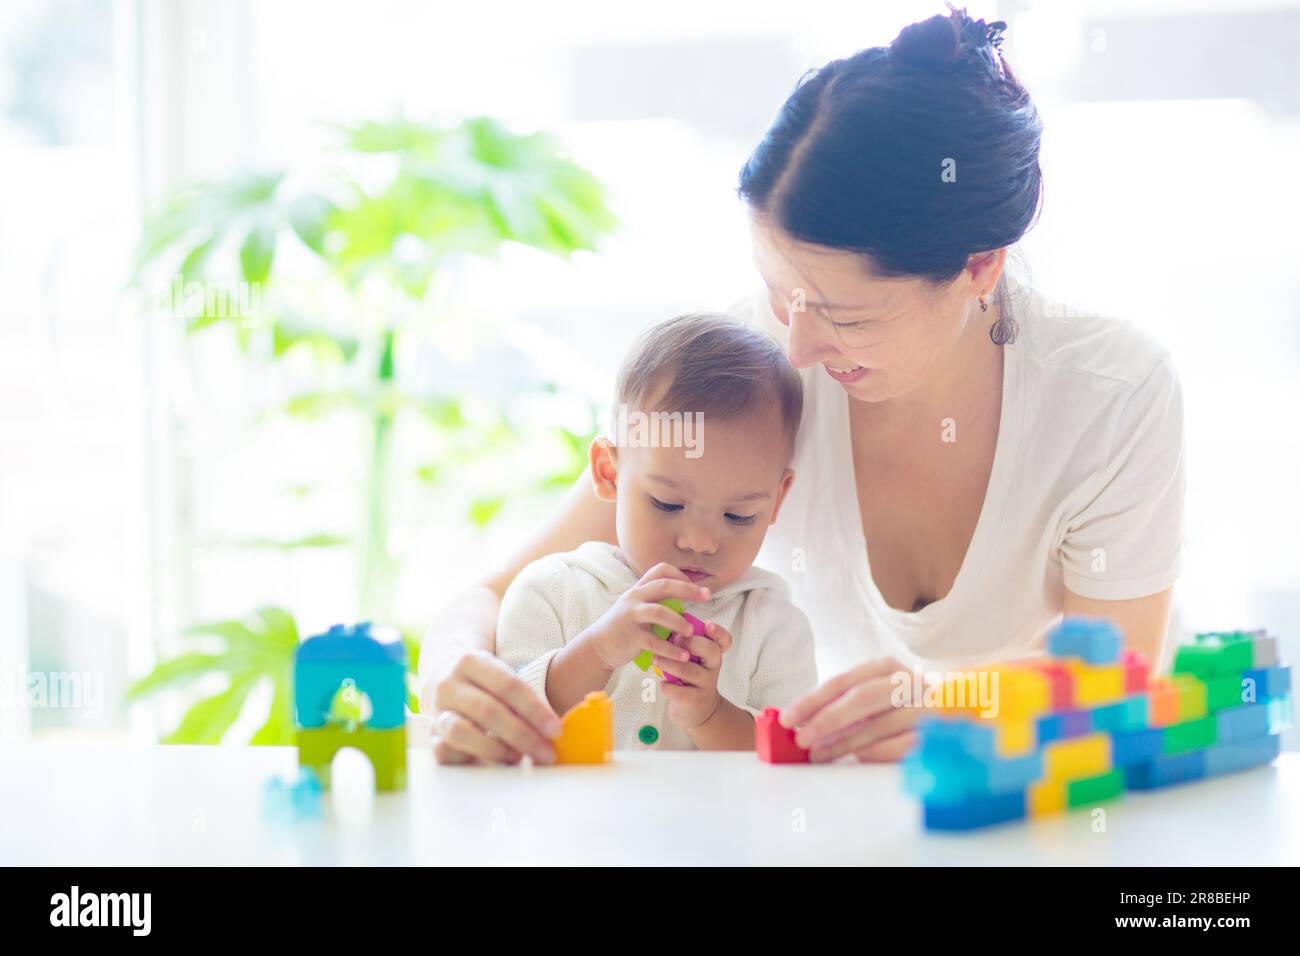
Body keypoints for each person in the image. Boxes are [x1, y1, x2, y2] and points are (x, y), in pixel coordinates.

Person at [418, 9, 1185, 766]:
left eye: (845, 316)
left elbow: (1119, 680)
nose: (798, 344)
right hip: (838, 811)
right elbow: (490, 594)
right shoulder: (745, 376)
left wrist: (946, 705)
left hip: (1051, 806)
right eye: (779, 291)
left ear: (979, 266)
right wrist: (457, 666)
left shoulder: (1111, 395)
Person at [496, 313, 816, 751]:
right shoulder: (551, 592)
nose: (701, 542)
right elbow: (507, 727)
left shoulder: (772, 626)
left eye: (739, 515)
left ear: (776, 501)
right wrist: (599, 651)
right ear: (609, 472)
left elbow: (789, 756)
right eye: (668, 504)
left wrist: (710, 715)